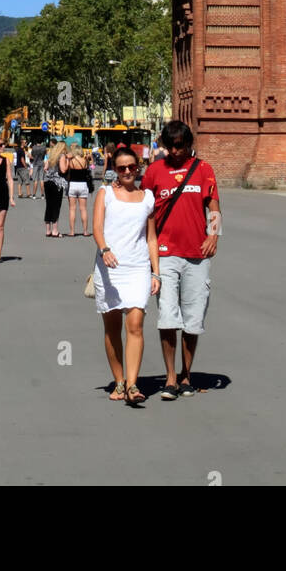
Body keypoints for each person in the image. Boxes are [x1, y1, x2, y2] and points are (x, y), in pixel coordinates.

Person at [142, 119, 220, 401]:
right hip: (164, 254)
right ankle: (171, 378)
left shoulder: (203, 170)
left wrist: (214, 236)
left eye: (181, 146)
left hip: (197, 254)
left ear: (189, 145)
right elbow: (144, 212)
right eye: (171, 146)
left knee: (193, 318)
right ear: (164, 144)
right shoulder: (153, 172)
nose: (176, 151)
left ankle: (187, 374)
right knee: (167, 317)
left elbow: (213, 205)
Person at [93, 144, 161, 406]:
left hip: (138, 268)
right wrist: (104, 249)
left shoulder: (147, 198)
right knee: (112, 330)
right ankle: (119, 380)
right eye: (121, 168)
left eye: (132, 167)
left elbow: (151, 238)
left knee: (135, 326)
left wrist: (156, 273)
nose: (127, 172)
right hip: (109, 268)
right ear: (115, 170)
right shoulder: (105, 194)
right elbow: (97, 227)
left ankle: (133, 384)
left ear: (138, 167)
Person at [43, 141, 69, 237]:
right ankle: (55, 230)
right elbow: (63, 169)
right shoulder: (62, 156)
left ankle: (48, 230)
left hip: (47, 181)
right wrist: (67, 161)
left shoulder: (51, 155)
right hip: (57, 183)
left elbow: (45, 168)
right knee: (56, 206)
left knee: (48, 205)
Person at [66, 143, 91, 236]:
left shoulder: (71, 161)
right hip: (83, 185)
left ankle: (72, 231)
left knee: (72, 209)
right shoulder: (84, 161)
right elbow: (88, 168)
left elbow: (67, 171)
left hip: (73, 184)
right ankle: (85, 231)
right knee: (83, 209)